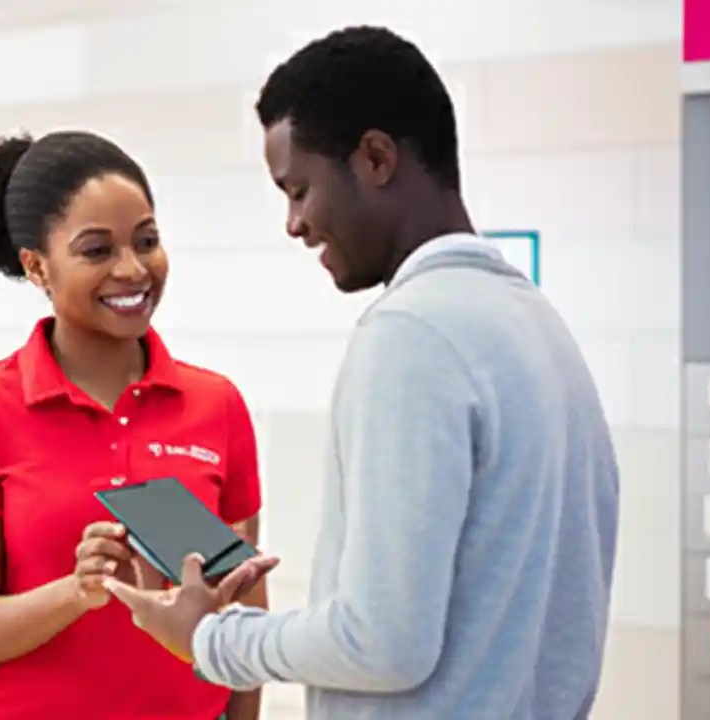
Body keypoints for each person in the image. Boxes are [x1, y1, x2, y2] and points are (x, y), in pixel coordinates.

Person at [106, 25, 620, 720]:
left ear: (376, 158)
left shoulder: (410, 333)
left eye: (299, 189)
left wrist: (210, 638)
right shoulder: (539, 326)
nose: (294, 223)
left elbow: (383, 642)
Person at [0, 130, 272, 720]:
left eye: (147, 241)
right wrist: (75, 592)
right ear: (37, 267)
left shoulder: (218, 404)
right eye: (96, 250)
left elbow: (244, 616)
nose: (133, 270)